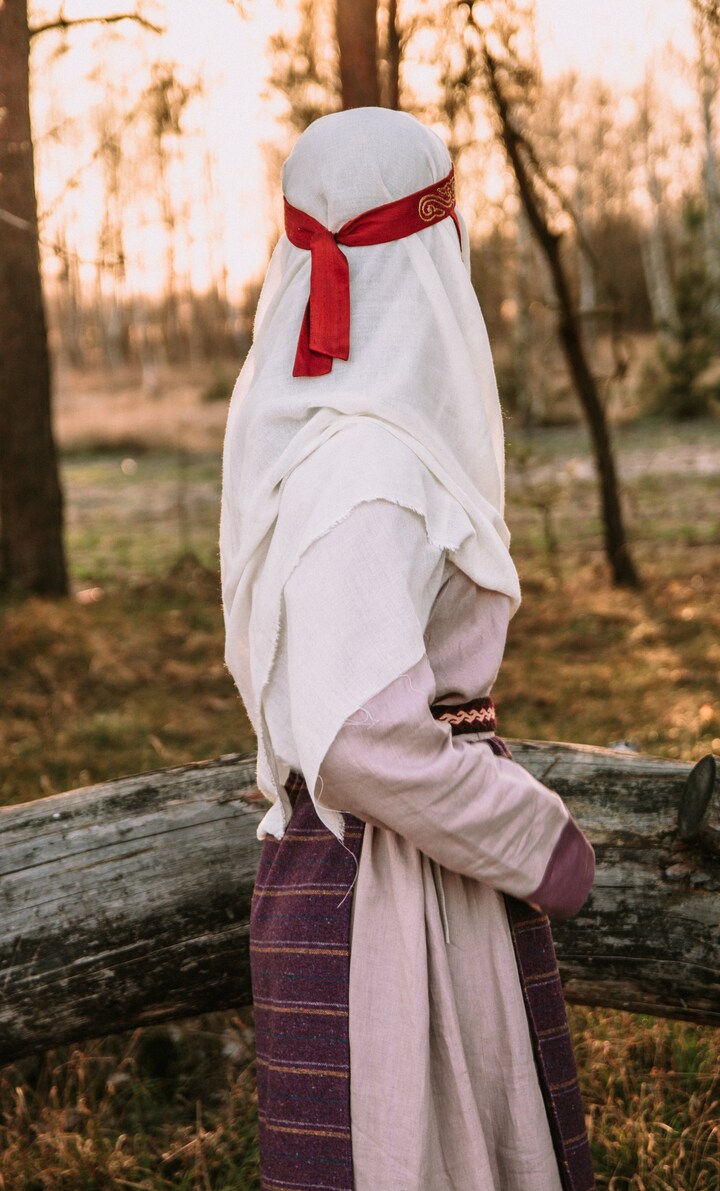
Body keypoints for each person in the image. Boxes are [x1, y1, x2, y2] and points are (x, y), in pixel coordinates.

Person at [220, 106, 596, 1191]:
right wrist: (533, 837)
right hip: (389, 895)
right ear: (434, 249)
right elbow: (359, 743)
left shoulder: (326, 445)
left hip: (385, 869)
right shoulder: (368, 471)